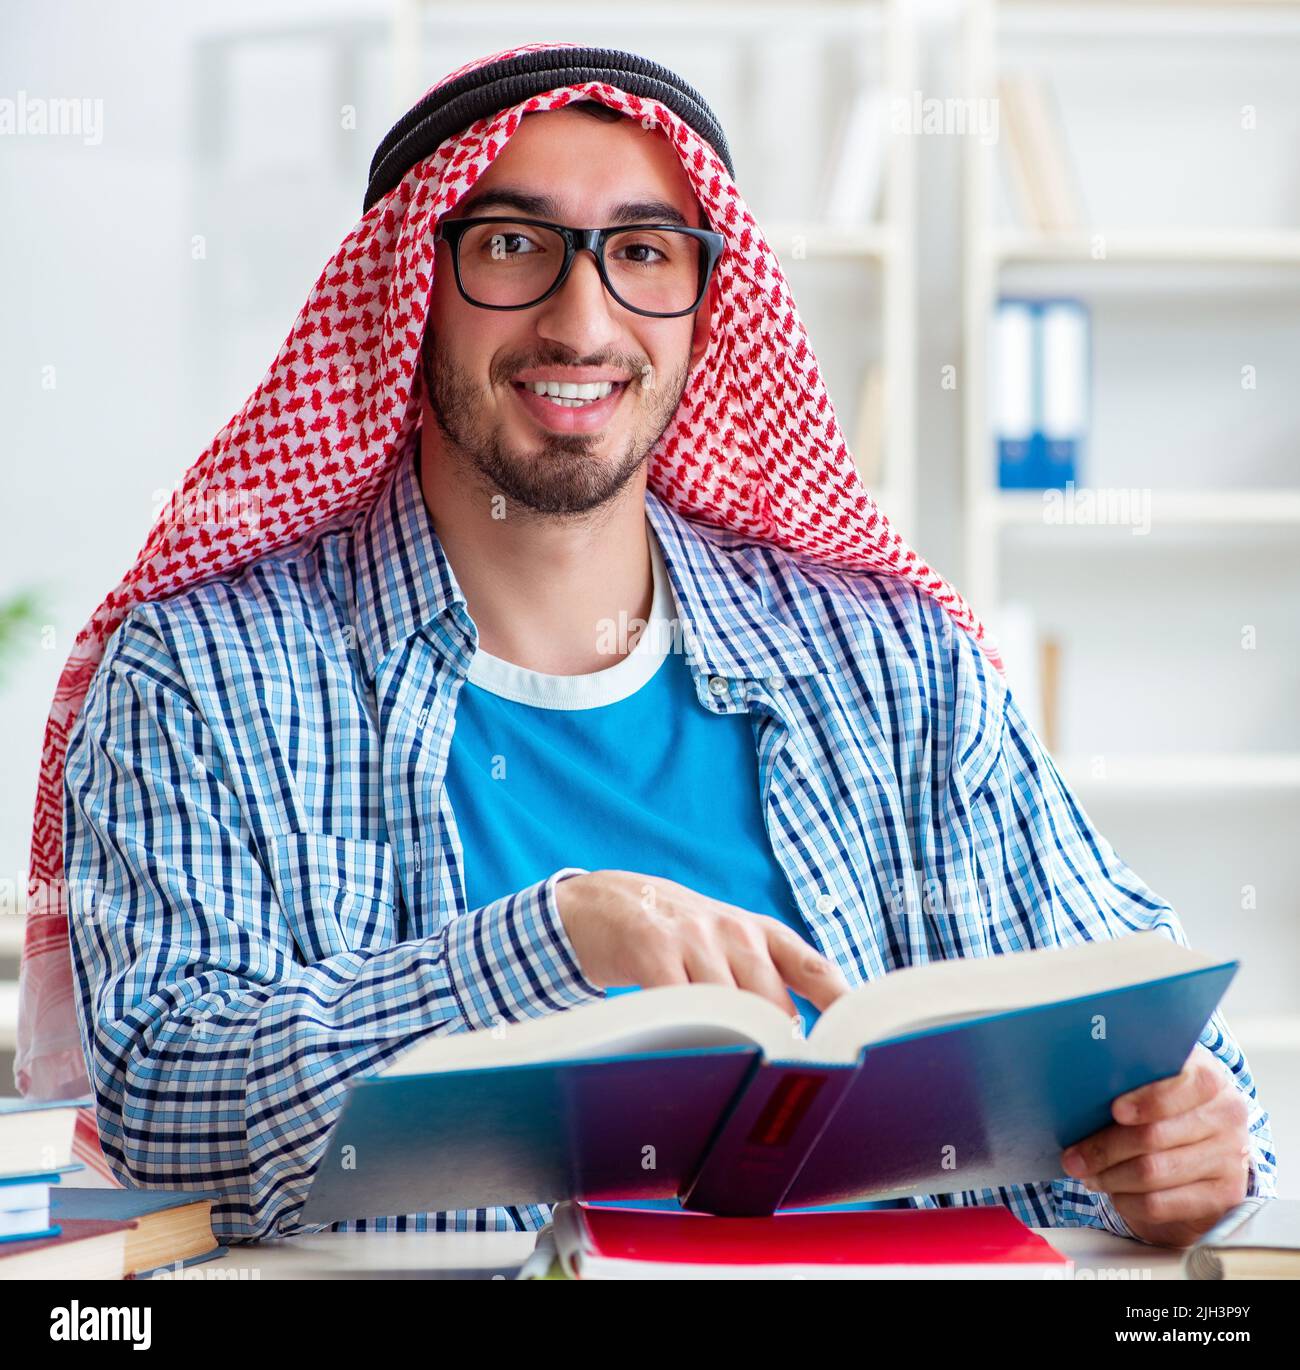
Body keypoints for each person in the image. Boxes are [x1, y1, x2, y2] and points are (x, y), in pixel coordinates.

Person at [28, 45, 1273, 1246]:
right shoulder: (200, 675)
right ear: (408, 287)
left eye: (641, 252)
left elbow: (1153, 1042)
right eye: (513, 245)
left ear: (700, 304)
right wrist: (550, 941)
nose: (582, 320)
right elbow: (162, 1122)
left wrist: (1185, 1149)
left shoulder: (894, 667)